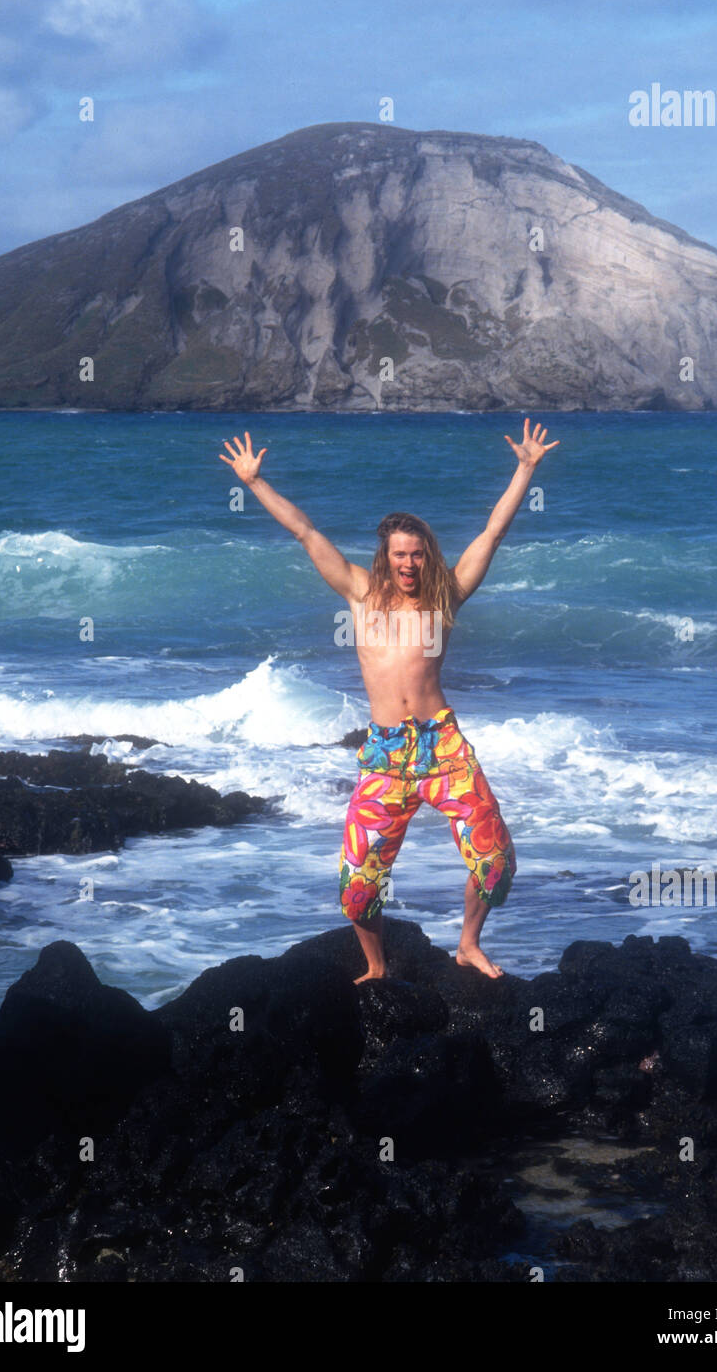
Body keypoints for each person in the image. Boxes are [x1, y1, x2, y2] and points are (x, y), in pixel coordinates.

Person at [219, 419, 560, 981]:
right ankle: (376, 967)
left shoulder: (446, 596)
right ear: (386, 554)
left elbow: (493, 533)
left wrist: (524, 470)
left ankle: (467, 945)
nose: (408, 564)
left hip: (443, 747)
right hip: (384, 755)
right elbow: (305, 532)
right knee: (358, 886)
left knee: (496, 862)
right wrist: (254, 482)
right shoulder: (360, 592)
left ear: (428, 556)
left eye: (417, 555)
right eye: (400, 554)